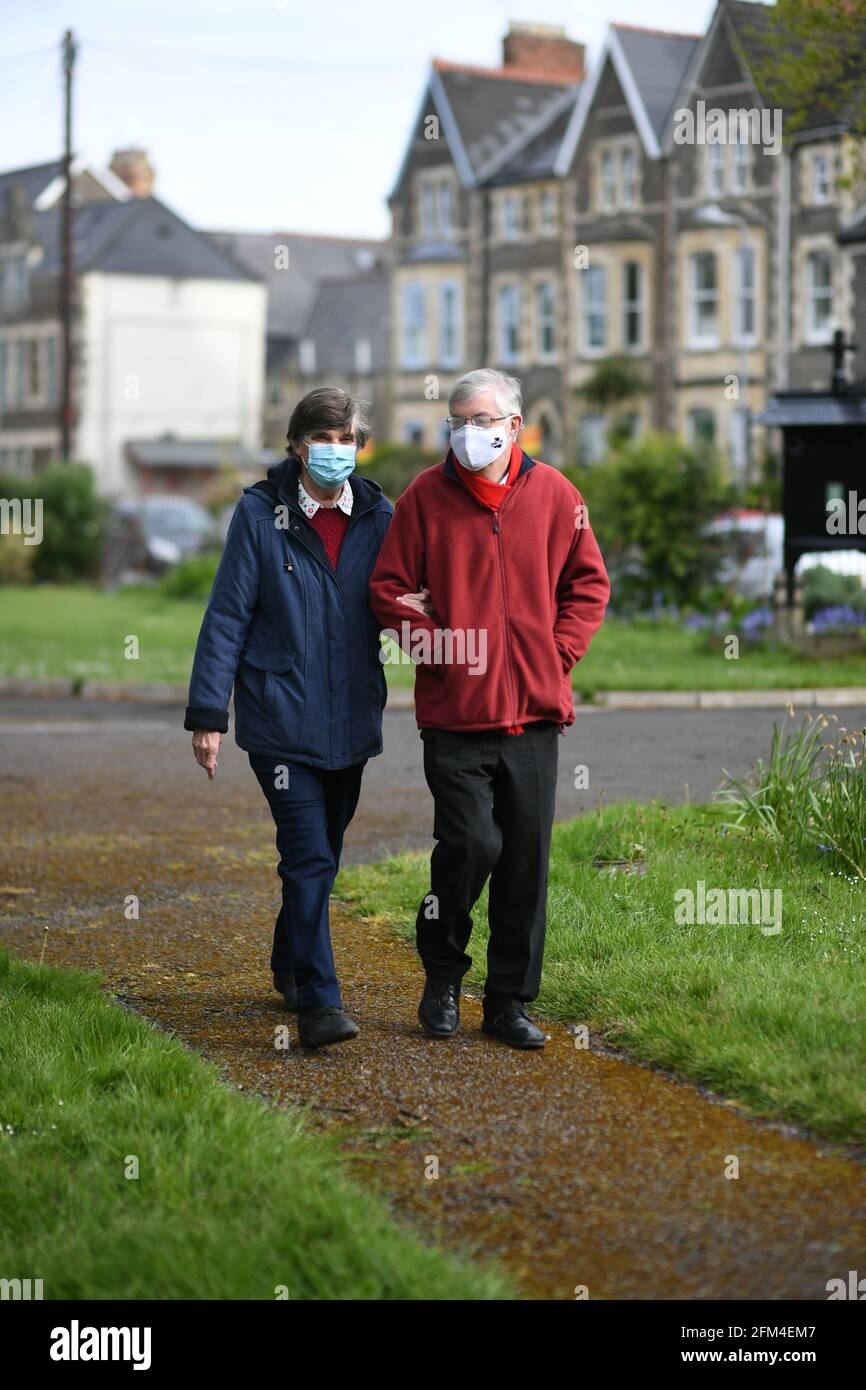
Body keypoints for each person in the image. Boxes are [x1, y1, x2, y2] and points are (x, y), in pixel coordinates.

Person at [369, 368, 609, 1049]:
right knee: (471, 844)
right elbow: (388, 589)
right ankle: (443, 974)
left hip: (535, 714)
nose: (468, 432)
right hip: (456, 716)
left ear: (513, 426)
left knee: (526, 861)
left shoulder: (556, 494)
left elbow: (587, 584)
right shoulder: (424, 497)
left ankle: (507, 1004)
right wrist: (441, 651)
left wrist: (556, 653)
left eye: (481, 419)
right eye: (458, 420)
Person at [184, 387, 392, 1048]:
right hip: (280, 720)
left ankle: (289, 965)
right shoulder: (258, 514)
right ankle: (321, 1005)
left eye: (346, 439)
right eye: (321, 439)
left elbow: (407, 599)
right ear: (298, 445)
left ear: (360, 446)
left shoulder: (381, 516)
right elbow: (227, 616)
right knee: (305, 856)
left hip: (352, 718)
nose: (334, 451)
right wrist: (208, 714)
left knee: (321, 858)